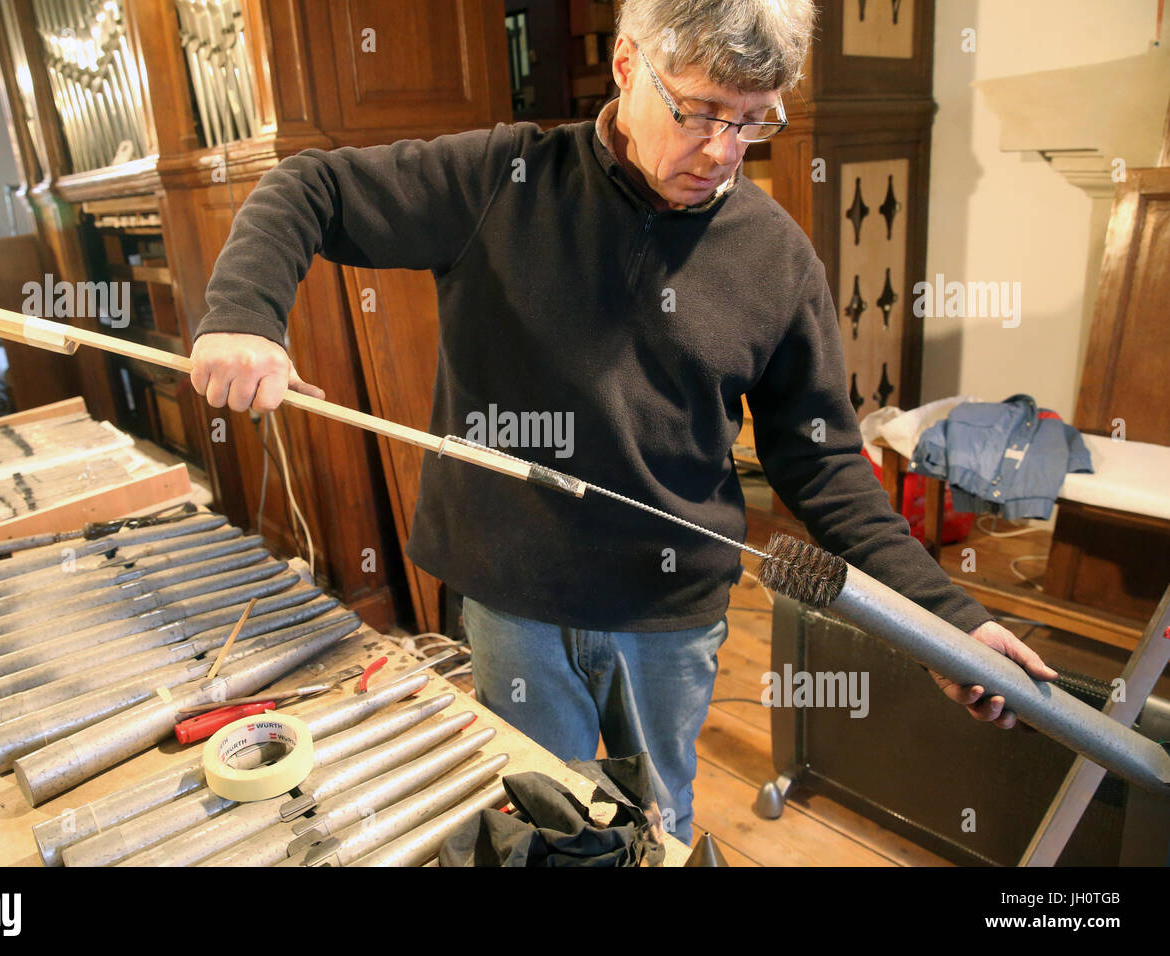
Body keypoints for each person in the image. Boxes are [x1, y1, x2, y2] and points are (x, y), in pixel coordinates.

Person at [189, 0, 1055, 846]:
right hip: (514, 600)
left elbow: (825, 466)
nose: (723, 151)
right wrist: (244, 314)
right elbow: (308, 187)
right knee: (541, 823)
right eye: (701, 112)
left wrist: (946, 619)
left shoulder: (778, 257)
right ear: (628, 63)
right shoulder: (503, 179)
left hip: (669, 611)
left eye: (754, 121)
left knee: (657, 823)